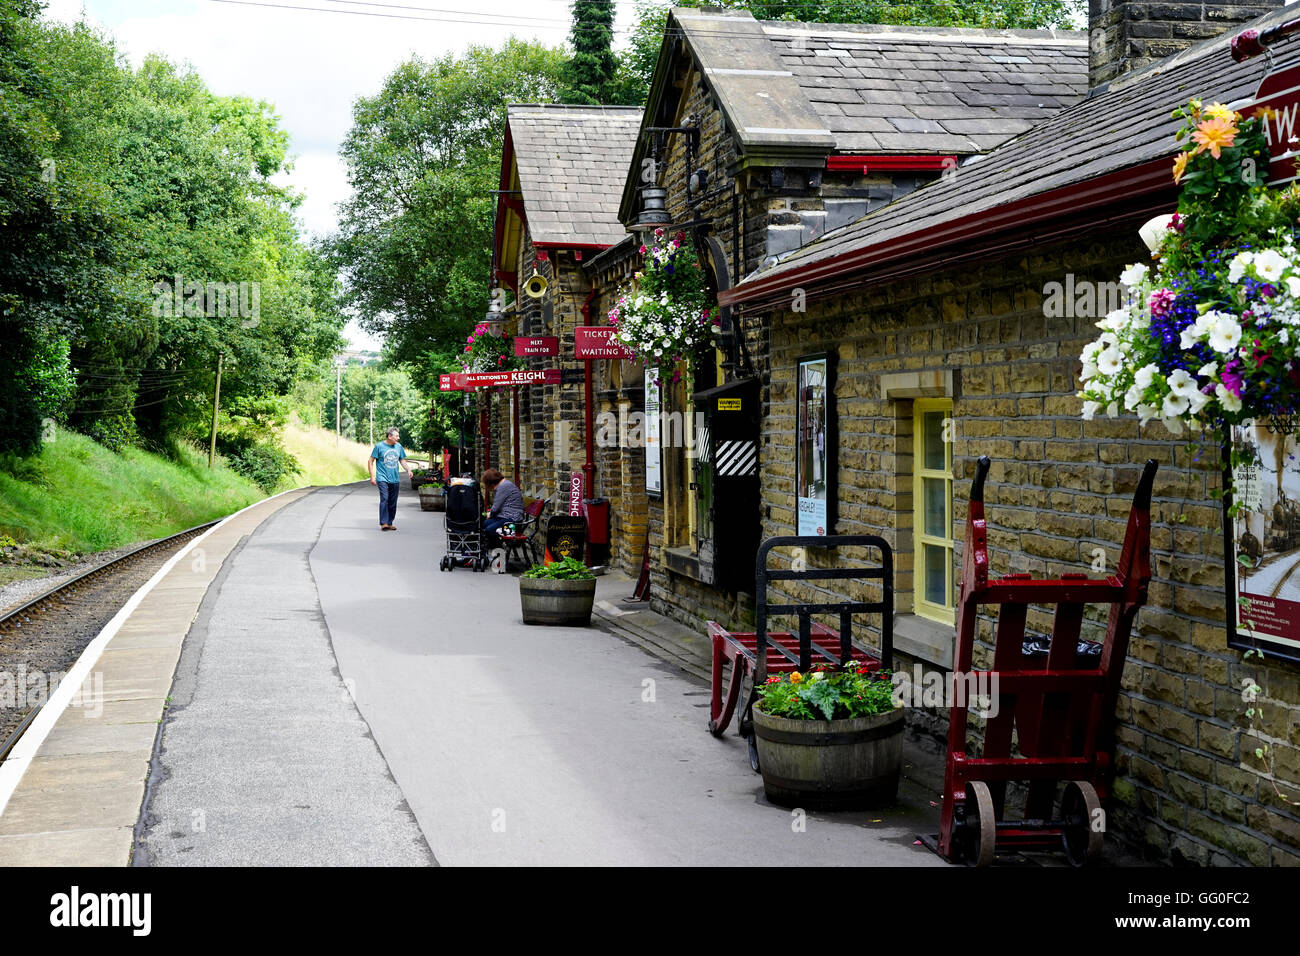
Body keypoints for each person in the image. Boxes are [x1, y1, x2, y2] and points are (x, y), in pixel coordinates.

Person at [369, 427, 412, 530]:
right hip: (382, 477)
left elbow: (402, 460)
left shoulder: (399, 447)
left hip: (395, 479)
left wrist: (408, 470)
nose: (398, 438)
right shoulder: (379, 446)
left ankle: (389, 522)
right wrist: (372, 476)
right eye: (396, 436)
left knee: (393, 501)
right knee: (385, 498)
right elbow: (370, 461)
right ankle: (383, 523)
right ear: (389, 436)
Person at [481, 467, 524, 538]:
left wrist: (489, 515)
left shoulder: (503, 487)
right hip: (506, 516)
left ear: (491, 483)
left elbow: (495, 508)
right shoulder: (505, 484)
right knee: (484, 524)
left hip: (512, 519)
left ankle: (498, 547)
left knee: (489, 530)